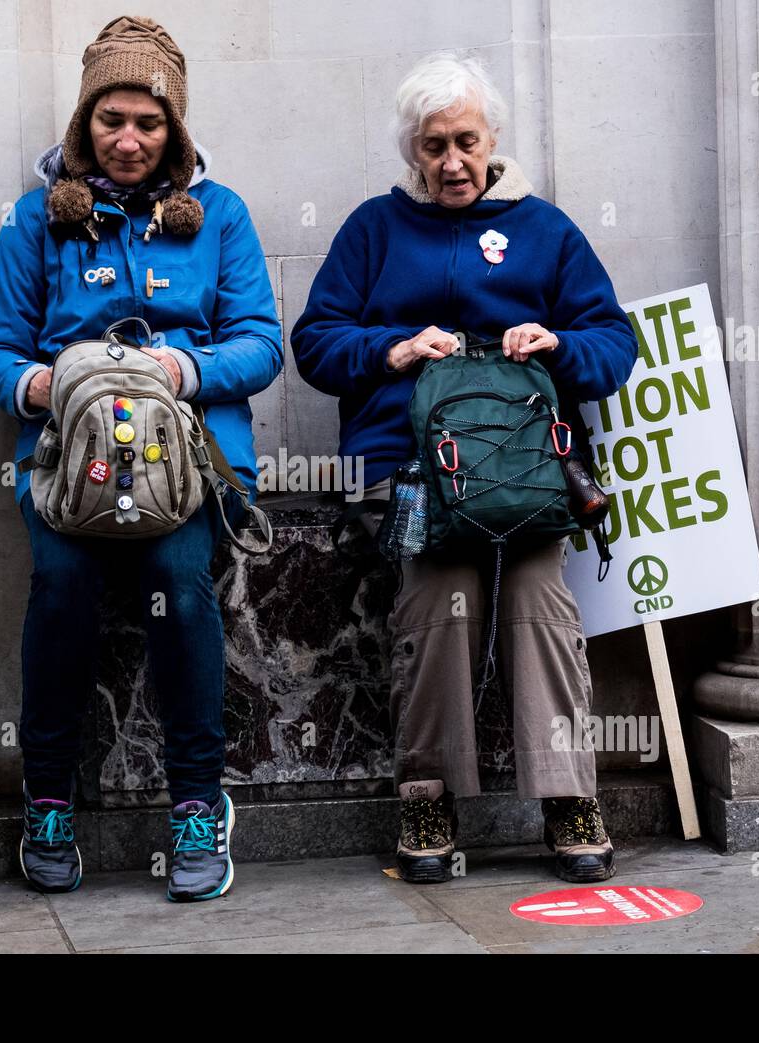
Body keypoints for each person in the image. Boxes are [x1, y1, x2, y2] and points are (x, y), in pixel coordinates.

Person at [291, 52, 637, 884]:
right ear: (412, 149)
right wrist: (394, 348)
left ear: (494, 140)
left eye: (467, 142)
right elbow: (313, 341)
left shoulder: (545, 229)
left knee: (536, 598)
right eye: (433, 145)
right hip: (412, 464)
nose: (452, 162)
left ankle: (566, 796)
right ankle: (428, 795)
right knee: (440, 599)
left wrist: (557, 345)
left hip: (522, 468)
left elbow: (614, 342)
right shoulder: (373, 229)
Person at [0, 16, 281, 901]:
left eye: (147, 121)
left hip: (188, 467)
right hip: (69, 470)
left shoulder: (220, 217)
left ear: (174, 128)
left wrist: (181, 368)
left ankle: (195, 802)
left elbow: (262, 345)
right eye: (111, 119)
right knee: (60, 587)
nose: (129, 139)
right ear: (84, 124)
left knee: (179, 588)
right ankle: (50, 796)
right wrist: (54, 384)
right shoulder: (37, 221)